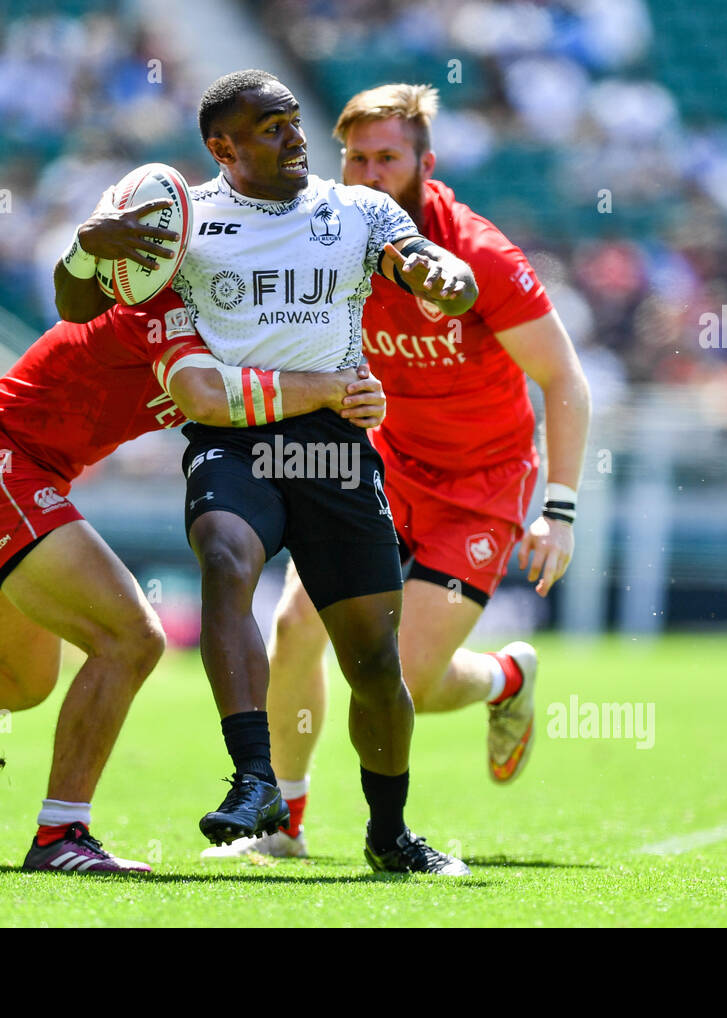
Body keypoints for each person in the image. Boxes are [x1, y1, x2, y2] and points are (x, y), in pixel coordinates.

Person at [0, 256, 385, 874]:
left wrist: (352, 393)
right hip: (0, 470)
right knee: (132, 638)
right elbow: (209, 398)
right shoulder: (169, 309)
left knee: (15, 679)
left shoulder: (214, 322)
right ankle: (60, 834)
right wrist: (335, 387)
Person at [57, 69, 481, 875]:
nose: (297, 137)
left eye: (295, 122)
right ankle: (256, 778)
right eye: (273, 127)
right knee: (223, 555)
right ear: (224, 147)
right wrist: (86, 248)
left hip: (333, 445)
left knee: (374, 666)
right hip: (235, 437)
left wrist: (445, 280)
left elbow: (438, 276)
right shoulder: (183, 222)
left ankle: (391, 836)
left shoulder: (355, 211)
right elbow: (77, 302)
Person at [205, 83, 592, 860]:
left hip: (479, 485)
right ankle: (287, 827)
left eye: (388, 158)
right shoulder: (333, 235)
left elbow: (565, 380)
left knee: (403, 679)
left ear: (425, 164)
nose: (370, 172)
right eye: (357, 157)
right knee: (294, 629)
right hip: (382, 465)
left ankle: (503, 681)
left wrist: (561, 508)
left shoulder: (479, 255)